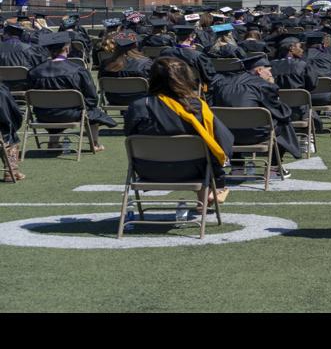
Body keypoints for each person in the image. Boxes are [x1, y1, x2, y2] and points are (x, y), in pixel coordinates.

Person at [123, 57, 235, 223]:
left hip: (149, 170)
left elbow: (129, 133)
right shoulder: (197, 106)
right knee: (206, 150)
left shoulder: (139, 106)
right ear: (185, 78)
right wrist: (219, 176)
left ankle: (206, 196)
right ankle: (208, 196)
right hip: (192, 171)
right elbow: (221, 140)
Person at [208, 52, 301, 174]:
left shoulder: (221, 84)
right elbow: (282, 112)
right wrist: (273, 86)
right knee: (284, 121)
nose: (271, 74)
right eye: (269, 70)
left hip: (226, 135)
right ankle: (273, 167)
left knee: (234, 120)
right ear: (259, 70)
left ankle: (237, 167)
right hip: (255, 134)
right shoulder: (263, 85)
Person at [27, 32, 106, 151]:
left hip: (43, 115)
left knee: (53, 105)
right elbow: (92, 97)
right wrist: (84, 107)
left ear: (48, 50)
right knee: (93, 110)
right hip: (72, 114)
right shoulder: (78, 70)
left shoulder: (34, 72)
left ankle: (53, 142)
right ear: (67, 48)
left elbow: (31, 94)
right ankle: (94, 143)